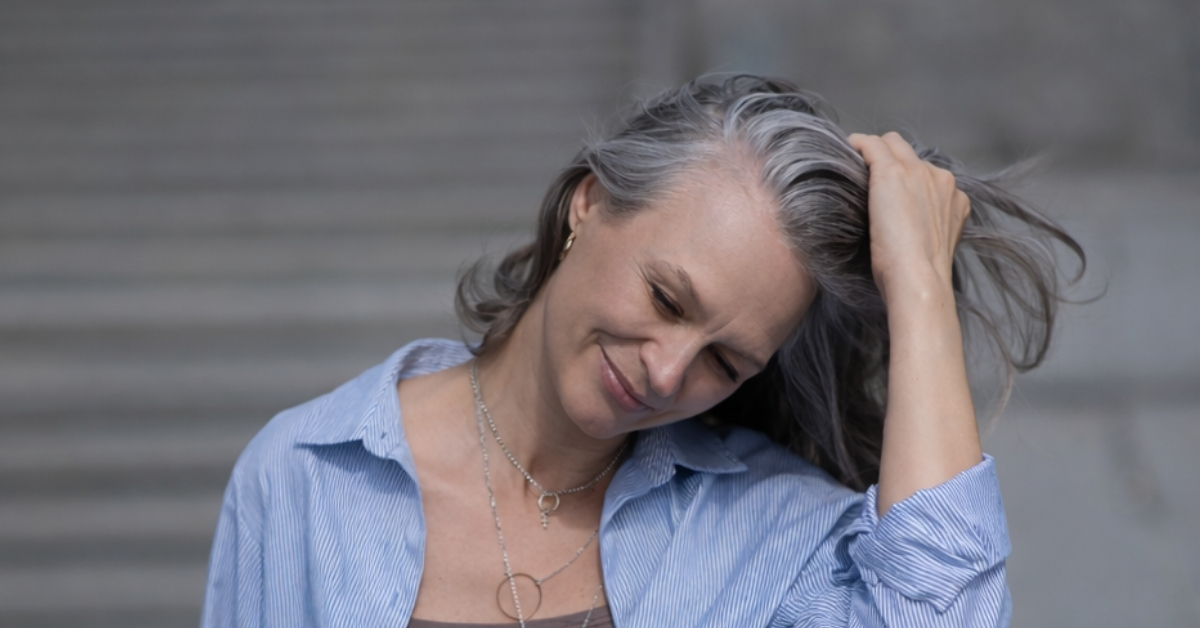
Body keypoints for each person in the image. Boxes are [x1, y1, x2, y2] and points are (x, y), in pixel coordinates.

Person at [201, 75, 1083, 627]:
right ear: (589, 205)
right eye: (667, 298)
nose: (667, 372)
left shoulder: (772, 534)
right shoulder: (307, 473)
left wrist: (919, 290)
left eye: (724, 363)